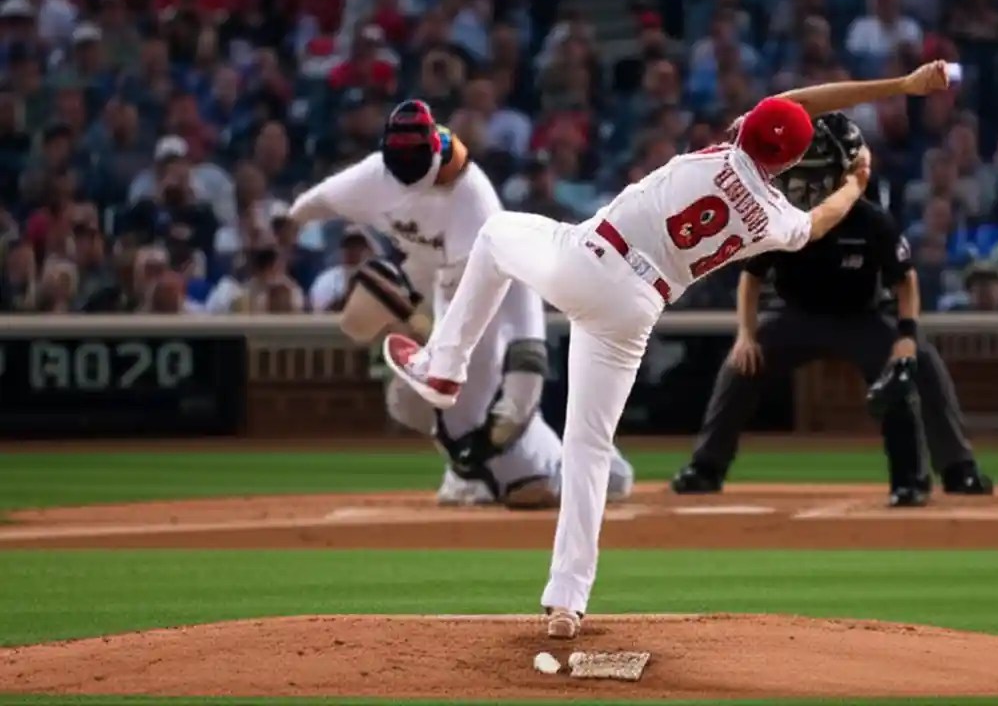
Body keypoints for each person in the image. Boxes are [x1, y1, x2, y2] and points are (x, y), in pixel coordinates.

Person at [384, 62, 953, 639]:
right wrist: (856, 181)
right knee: (588, 447)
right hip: (636, 307)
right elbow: (822, 218)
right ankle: (566, 601)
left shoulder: (723, 149)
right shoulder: (776, 219)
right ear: (786, 163)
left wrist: (898, 84)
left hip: (589, 258)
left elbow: (799, 101)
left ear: (750, 128)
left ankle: (444, 368)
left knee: (493, 235)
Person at [288, 100, 633, 509]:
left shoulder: (471, 199)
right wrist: (291, 226)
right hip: (434, 285)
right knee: (410, 400)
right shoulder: (373, 177)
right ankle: (472, 471)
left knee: (507, 427)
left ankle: (584, 468)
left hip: (490, 293)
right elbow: (317, 202)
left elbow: (481, 304)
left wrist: (503, 396)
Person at [669, 114, 993, 506]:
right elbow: (751, 278)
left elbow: (904, 280)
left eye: (814, 172)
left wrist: (906, 336)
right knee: (739, 367)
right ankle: (706, 467)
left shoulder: (871, 219)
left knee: (919, 362)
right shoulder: (778, 214)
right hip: (795, 317)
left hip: (863, 318)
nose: (803, 183)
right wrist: (746, 335)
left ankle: (950, 469)